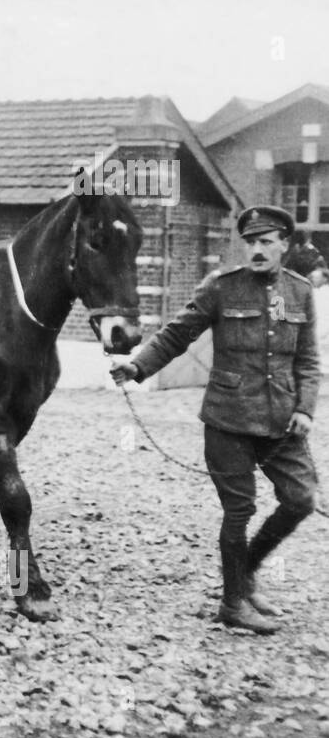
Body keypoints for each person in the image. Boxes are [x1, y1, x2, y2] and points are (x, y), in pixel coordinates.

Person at [110, 205, 320, 634]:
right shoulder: (221, 288)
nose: (257, 250)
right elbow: (176, 333)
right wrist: (138, 366)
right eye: (251, 242)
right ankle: (232, 603)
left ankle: (245, 576)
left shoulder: (299, 293)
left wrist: (305, 408)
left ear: (284, 244)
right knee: (239, 510)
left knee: (301, 500)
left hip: (283, 419)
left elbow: (308, 360)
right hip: (228, 418)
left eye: (266, 242)